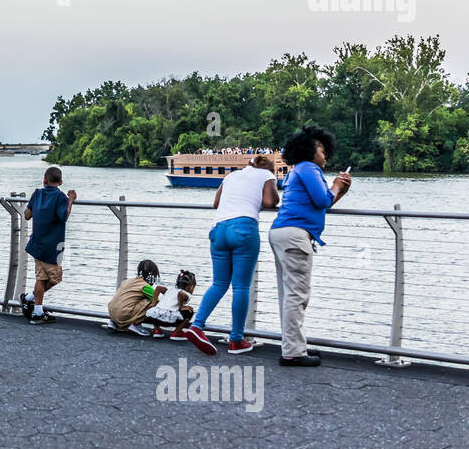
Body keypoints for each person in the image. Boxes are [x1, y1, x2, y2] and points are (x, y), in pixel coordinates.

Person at [268, 125, 352, 367]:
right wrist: (336, 185)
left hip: (282, 232)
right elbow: (323, 198)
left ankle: (294, 345)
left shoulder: (297, 170)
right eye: (322, 150)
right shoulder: (309, 168)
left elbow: (320, 204)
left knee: (288, 294)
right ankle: (293, 353)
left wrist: (340, 191)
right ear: (310, 149)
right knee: (297, 295)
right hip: (295, 236)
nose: (325, 156)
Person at [185, 155, 280, 356]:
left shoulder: (231, 176)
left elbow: (216, 203)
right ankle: (236, 340)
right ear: (269, 168)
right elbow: (270, 201)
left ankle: (197, 325)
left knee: (219, 283)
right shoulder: (266, 175)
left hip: (219, 230)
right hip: (243, 229)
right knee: (241, 287)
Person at [19, 166, 76, 324]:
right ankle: (30, 299)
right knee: (56, 278)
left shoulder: (37, 193)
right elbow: (63, 216)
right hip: (53, 247)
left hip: (36, 243)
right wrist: (70, 200)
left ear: (44, 180)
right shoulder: (61, 197)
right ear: (61, 182)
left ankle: (35, 309)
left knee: (41, 277)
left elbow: (27, 215)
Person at [105, 259, 165, 336]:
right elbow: (157, 302)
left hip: (112, 313)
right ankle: (136, 324)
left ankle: (114, 323)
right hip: (124, 314)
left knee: (127, 300)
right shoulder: (145, 286)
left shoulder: (127, 281)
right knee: (152, 300)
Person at [145, 270, 197, 340]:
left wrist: (153, 303)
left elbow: (158, 288)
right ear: (191, 287)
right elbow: (180, 294)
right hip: (169, 320)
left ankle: (157, 330)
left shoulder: (170, 290)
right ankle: (176, 333)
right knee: (189, 311)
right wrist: (181, 307)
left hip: (153, 317)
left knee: (155, 308)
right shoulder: (187, 294)